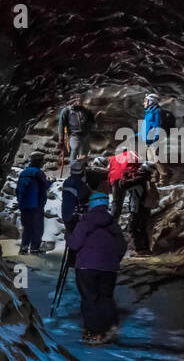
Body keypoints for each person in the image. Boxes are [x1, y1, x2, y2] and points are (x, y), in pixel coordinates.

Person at [67, 190, 128, 344]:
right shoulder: (112, 223)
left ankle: (94, 332)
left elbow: (75, 244)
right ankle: (109, 327)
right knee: (105, 297)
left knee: (89, 298)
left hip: (87, 266)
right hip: (109, 268)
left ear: (92, 204)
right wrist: (113, 259)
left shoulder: (85, 222)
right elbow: (122, 246)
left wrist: (68, 236)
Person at [16, 151, 51, 254]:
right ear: (39, 162)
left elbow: (18, 190)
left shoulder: (23, 173)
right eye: (42, 161)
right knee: (37, 228)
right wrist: (50, 182)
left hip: (24, 205)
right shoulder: (38, 173)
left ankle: (24, 248)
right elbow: (44, 186)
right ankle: (35, 249)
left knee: (27, 228)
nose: (43, 163)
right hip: (36, 206)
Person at [140, 93, 176, 184]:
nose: (144, 103)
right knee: (151, 161)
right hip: (148, 141)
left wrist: (155, 138)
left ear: (151, 101)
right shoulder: (148, 112)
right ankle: (154, 179)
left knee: (158, 160)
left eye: (145, 101)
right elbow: (146, 128)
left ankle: (163, 180)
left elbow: (158, 126)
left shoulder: (157, 112)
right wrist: (137, 135)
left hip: (155, 141)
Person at [58, 96, 96, 165]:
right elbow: (61, 125)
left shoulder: (86, 111)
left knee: (84, 152)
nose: (78, 100)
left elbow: (92, 121)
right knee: (75, 149)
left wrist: (91, 128)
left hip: (85, 135)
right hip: (74, 135)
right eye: (76, 98)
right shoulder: (66, 111)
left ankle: (83, 169)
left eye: (79, 99)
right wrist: (61, 138)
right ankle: (73, 168)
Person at [107, 145, 140, 216]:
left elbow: (109, 172)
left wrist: (110, 186)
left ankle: (113, 222)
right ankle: (135, 214)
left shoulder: (112, 158)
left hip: (115, 180)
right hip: (128, 179)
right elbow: (138, 164)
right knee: (136, 193)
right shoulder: (132, 153)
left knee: (116, 203)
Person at [60, 158, 89, 234]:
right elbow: (84, 201)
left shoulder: (66, 182)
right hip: (74, 217)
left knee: (69, 236)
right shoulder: (81, 185)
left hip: (65, 214)